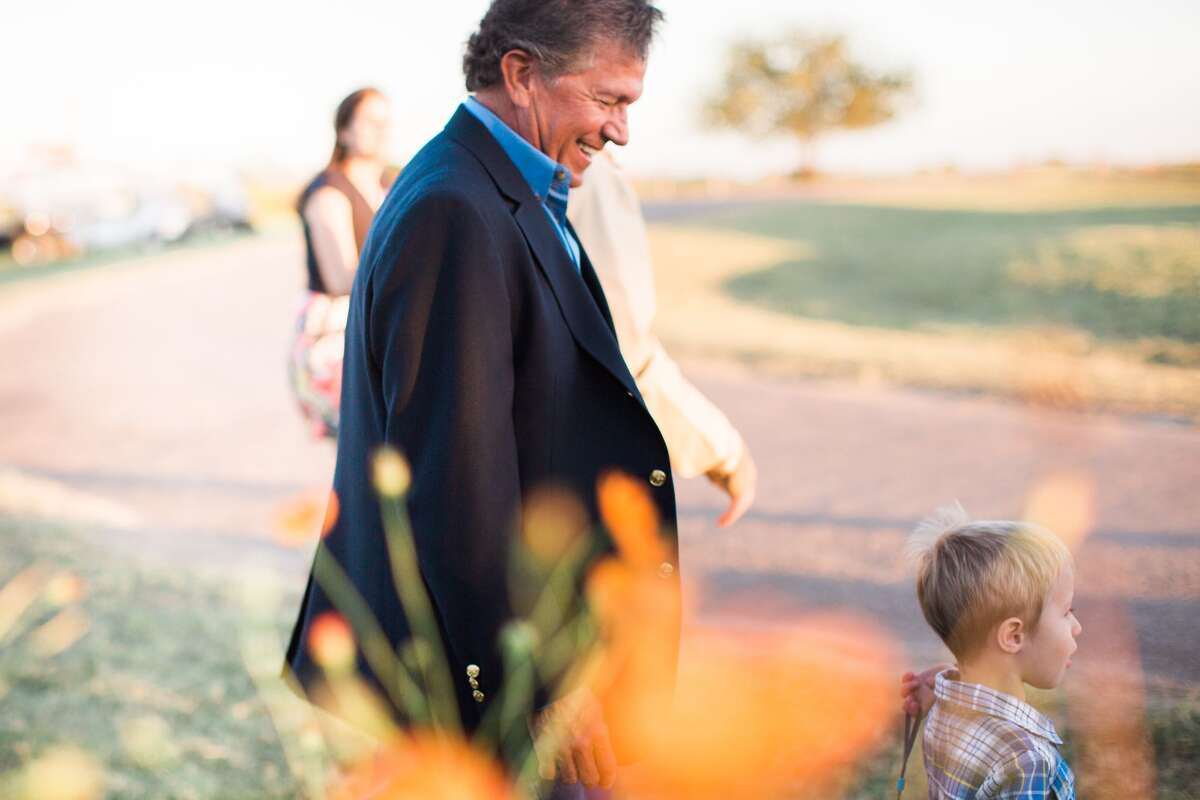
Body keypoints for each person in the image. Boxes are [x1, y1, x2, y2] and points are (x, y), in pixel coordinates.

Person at [285, 1, 670, 796]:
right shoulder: (452, 209)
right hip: (484, 702)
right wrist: (538, 688)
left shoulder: (503, 187)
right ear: (521, 73)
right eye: (608, 101)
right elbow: (455, 480)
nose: (621, 131)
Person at [568, 151, 757, 527]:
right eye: (610, 100)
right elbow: (623, 350)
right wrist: (723, 451)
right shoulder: (590, 172)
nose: (619, 127)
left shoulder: (452, 163)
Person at [903, 504, 1082, 799]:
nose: (1076, 627)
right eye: (1066, 612)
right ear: (1013, 635)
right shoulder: (1026, 761)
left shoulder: (940, 711)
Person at [289, 88, 393, 439]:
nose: (381, 128)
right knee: (359, 451)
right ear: (344, 131)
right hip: (334, 337)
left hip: (370, 327)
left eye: (385, 120)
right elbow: (340, 277)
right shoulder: (328, 191)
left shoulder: (388, 183)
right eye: (369, 120)